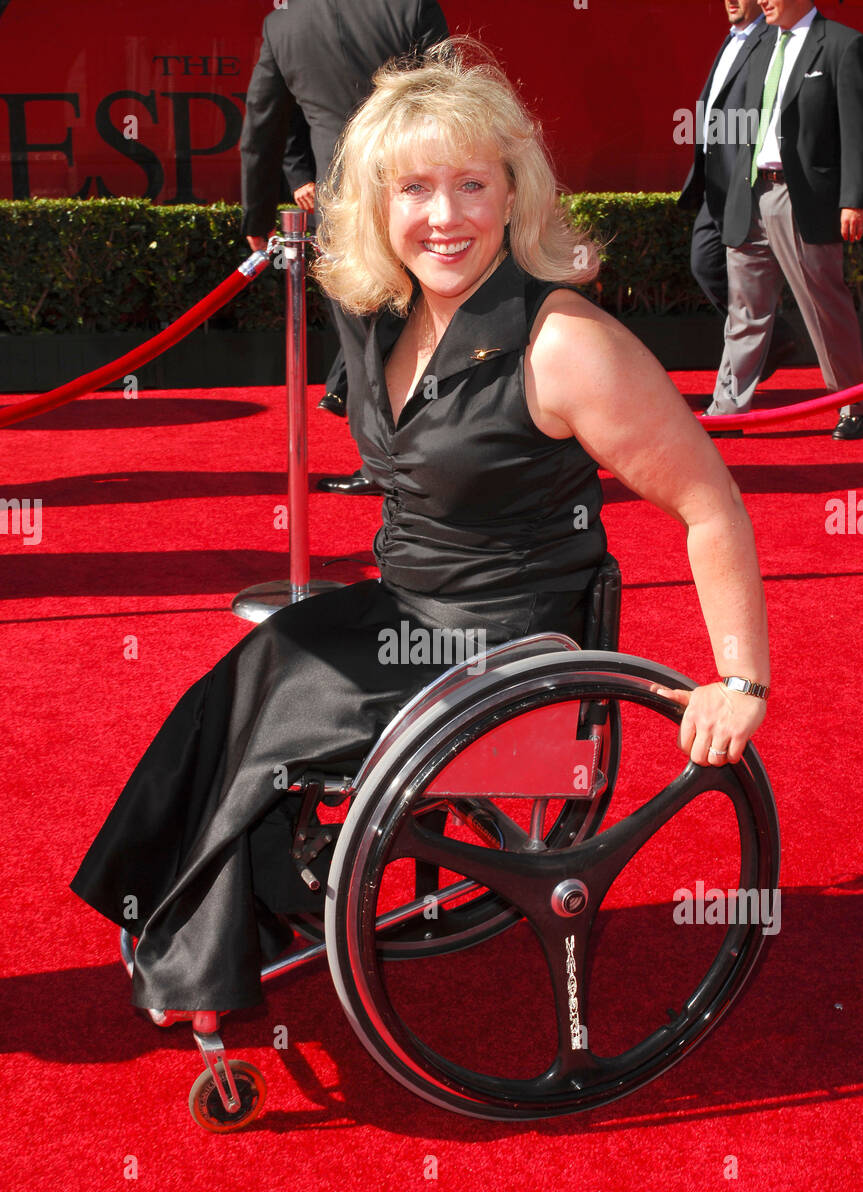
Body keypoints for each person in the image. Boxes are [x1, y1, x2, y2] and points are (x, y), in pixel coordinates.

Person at [71, 40, 770, 1018]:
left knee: (279, 715)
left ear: (512, 193)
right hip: (406, 610)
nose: (442, 216)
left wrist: (738, 680)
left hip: (499, 646)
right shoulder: (390, 316)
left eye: (469, 184)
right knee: (243, 678)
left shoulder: (565, 343)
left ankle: (210, 953)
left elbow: (708, 503)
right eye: (413, 189)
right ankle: (193, 921)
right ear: (380, 203)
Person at [240, 0, 449, 495]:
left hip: (343, 205)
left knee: (362, 342)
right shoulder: (410, 6)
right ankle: (450, 452)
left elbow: (261, 125)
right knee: (441, 321)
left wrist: (256, 213)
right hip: (419, 193)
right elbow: (450, 97)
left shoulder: (284, 23)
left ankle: (382, 466)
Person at [707, 0, 863, 439]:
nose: (762, 0)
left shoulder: (842, 46)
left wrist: (853, 199)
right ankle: (728, 409)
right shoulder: (760, 48)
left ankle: (853, 404)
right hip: (752, 193)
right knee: (745, 309)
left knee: (823, 305)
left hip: (804, 199)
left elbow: (856, 131)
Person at [678, 0, 798, 375]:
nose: (732, 0)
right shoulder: (732, 40)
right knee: (705, 263)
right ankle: (776, 338)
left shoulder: (769, 39)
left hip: (744, 182)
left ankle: (752, 362)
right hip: (715, 184)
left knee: (747, 276)